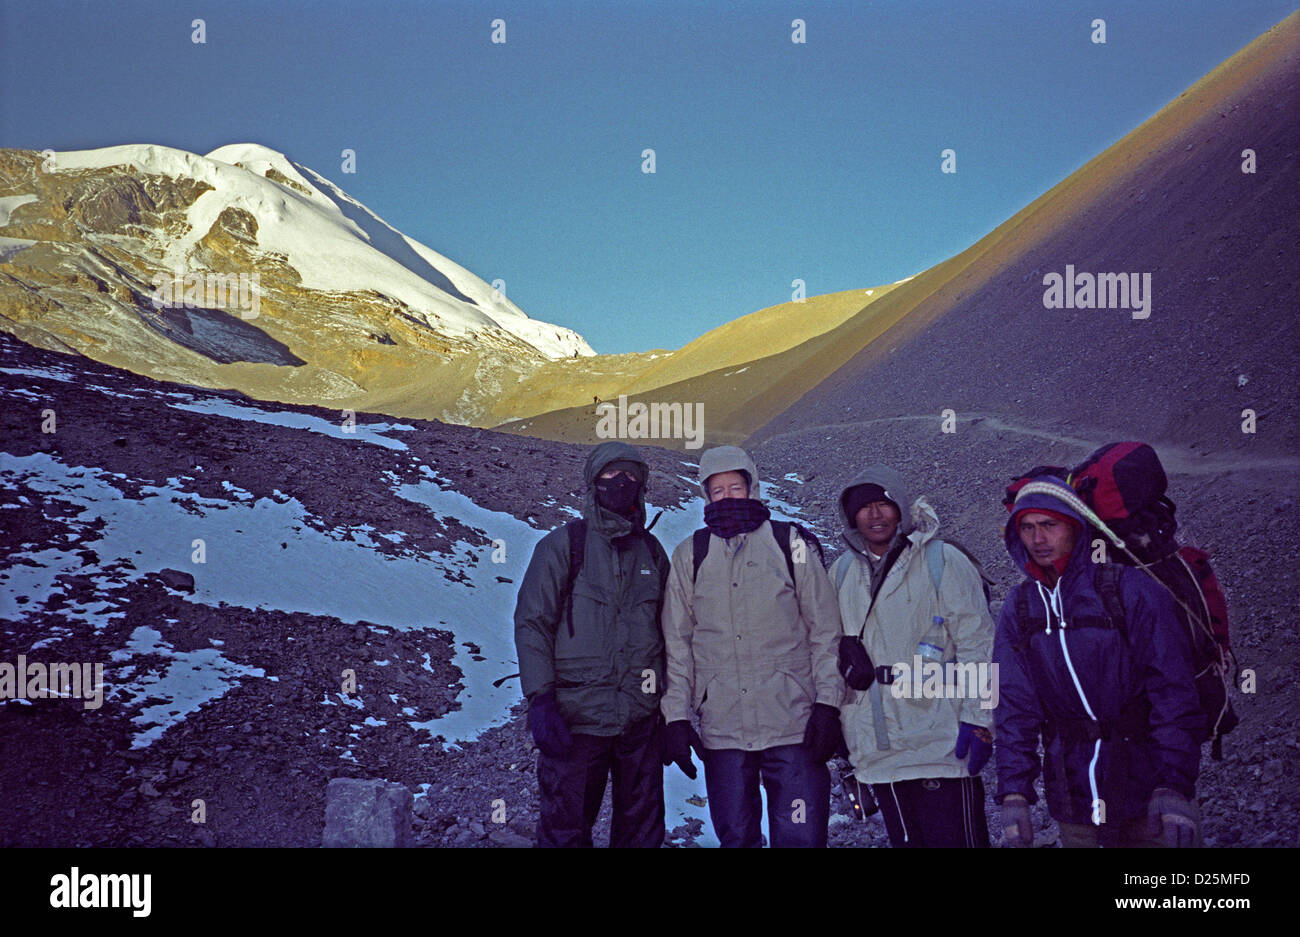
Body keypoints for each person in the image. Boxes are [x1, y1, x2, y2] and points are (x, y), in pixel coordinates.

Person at [994, 475, 1203, 848]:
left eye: (1049, 525)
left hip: (1149, 789)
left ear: (1075, 527)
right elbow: (1013, 702)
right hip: (1073, 797)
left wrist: (1173, 785)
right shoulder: (1021, 606)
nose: (1038, 539)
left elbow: (1172, 688)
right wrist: (1014, 793)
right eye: (1027, 528)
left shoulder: (1128, 589)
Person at [659, 445, 843, 847]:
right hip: (723, 728)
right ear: (706, 496)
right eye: (718, 490)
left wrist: (828, 704)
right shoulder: (691, 554)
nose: (727, 497)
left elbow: (825, 631)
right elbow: (678, 643)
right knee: (736, 836)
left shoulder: (789, 544)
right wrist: (675, 716)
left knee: (801, 836)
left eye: (736, 487)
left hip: (792, 722)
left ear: (753, 488)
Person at [513, 441, 670, 847]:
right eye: (610, 476)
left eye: (631, 477)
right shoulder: (564, 546)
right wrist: (541, 698)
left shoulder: (652, 553)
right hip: (576, 719)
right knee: (566, 829)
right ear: (592, 483)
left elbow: (671, 633)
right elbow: (533, 623)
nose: (621, 483)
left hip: (640, 720)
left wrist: (673, 712)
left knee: (641, 832)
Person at [830, 466, 995, 847]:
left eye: (883, 504)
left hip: (942, 741)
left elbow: (979, 646)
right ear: (851, 516)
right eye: (864, 507)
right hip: (879, 749)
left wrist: (981, 719)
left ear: (900, 508)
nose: (874, 515)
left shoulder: (943, 561)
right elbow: (827, 651)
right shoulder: (839, 573)